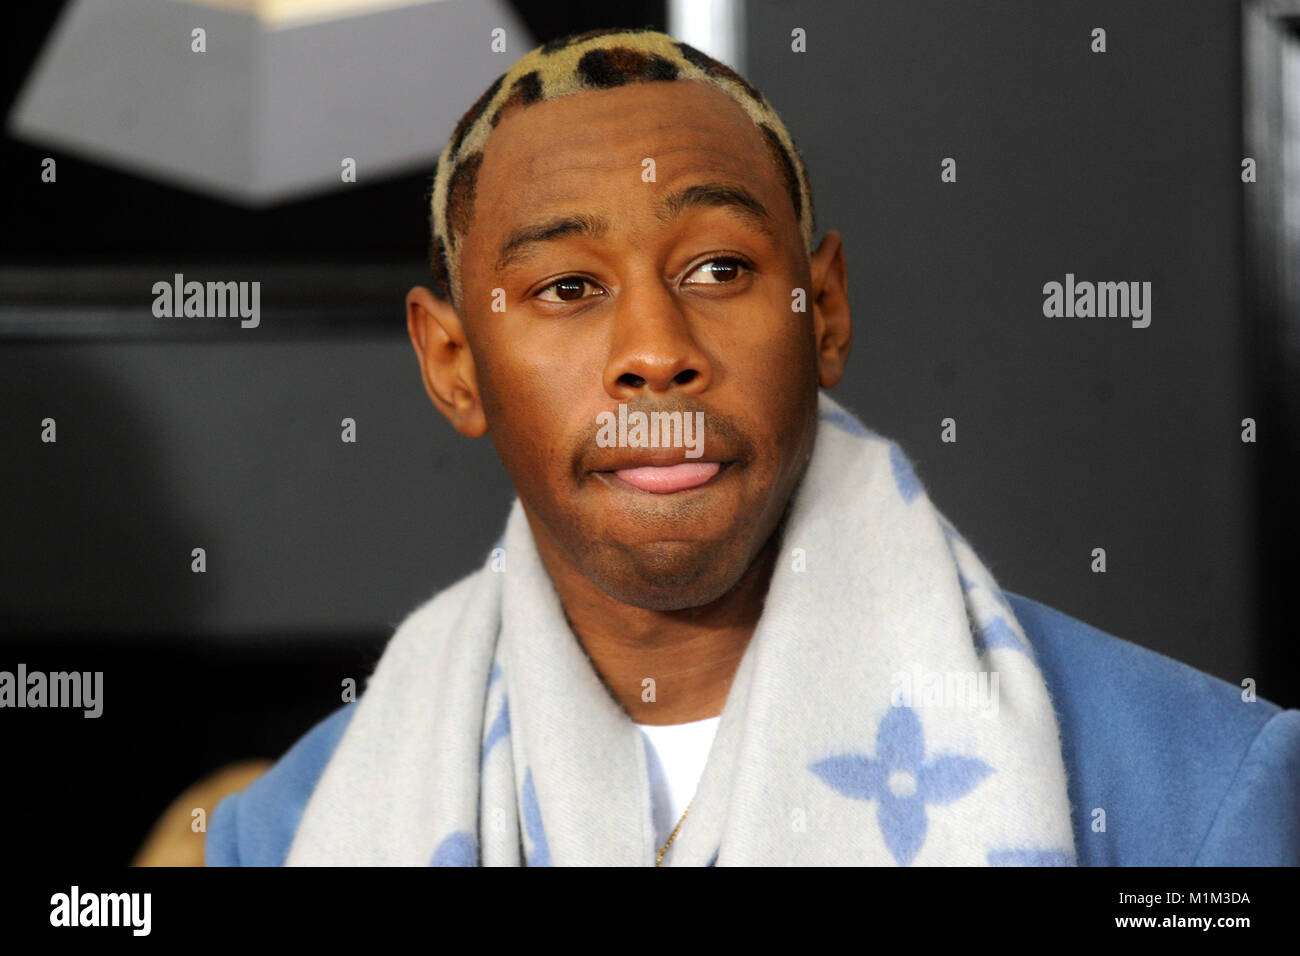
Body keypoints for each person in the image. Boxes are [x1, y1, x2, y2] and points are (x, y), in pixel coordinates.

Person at [207, 27, 1299, 866]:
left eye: (718, 270)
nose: (653, 350)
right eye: (568, 287)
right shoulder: (288, 832)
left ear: (821, 309)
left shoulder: (1197, 794)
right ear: (452, 362)